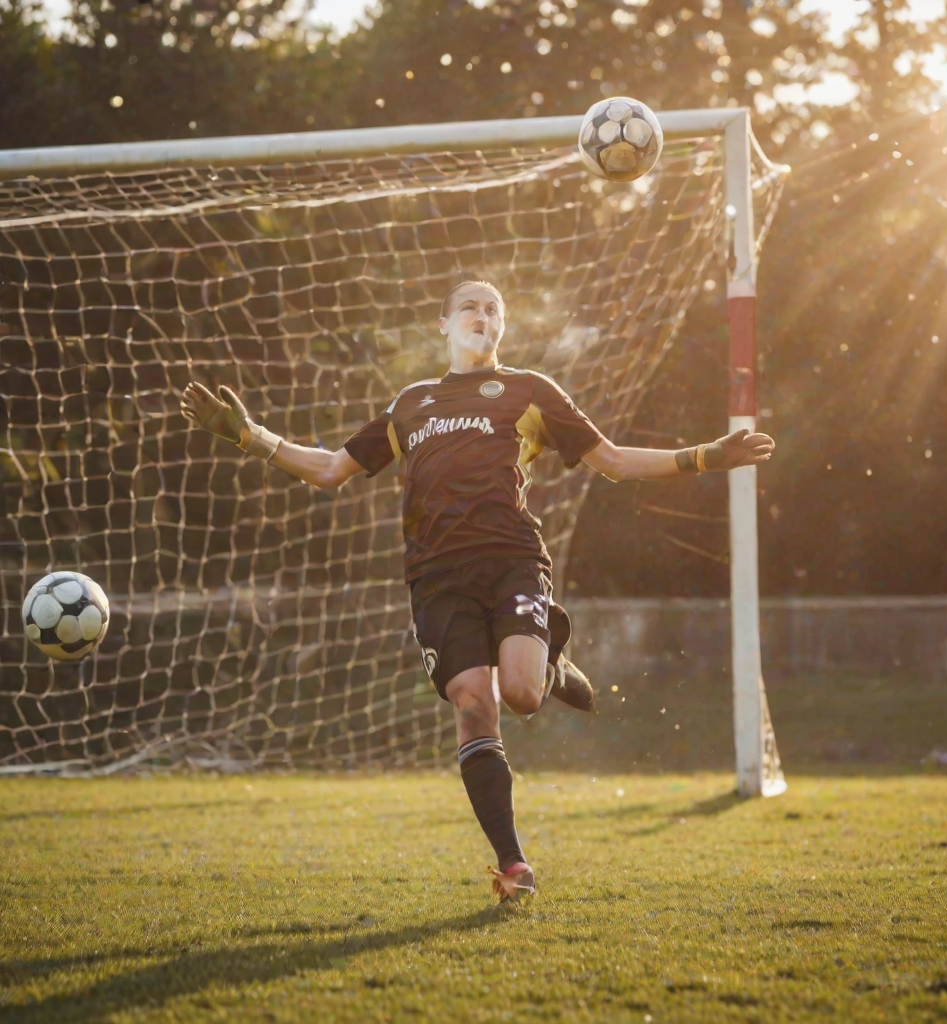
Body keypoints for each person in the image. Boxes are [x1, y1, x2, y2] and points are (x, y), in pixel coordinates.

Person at [180, 279, 775, 902]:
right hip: (435, 576)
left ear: (501, 329)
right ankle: (513, 864)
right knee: (472, 701)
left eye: (495, 308)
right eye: (470, 306)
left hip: (512, 560)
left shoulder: (529, 390)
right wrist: (250, 438)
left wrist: (706, 455)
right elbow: (331, 470)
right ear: (443, 323)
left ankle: (548, 653)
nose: (483, 315)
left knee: (520, 694)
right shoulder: (411, 403)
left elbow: (615, 461)